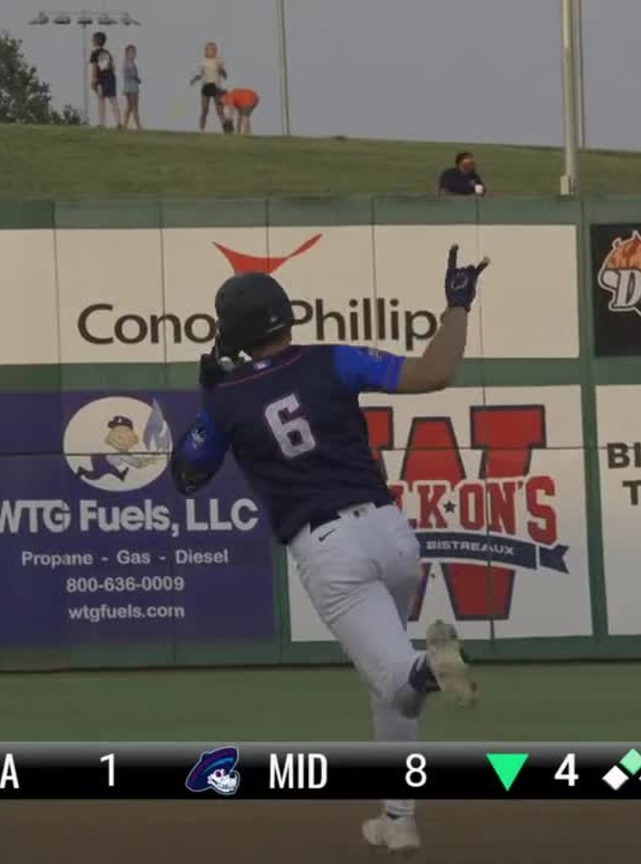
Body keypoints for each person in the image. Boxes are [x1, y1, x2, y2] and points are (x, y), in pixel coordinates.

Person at [170, 245, 490, 854]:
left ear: (232, 331)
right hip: (393, 535)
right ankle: (398, 818)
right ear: (286, 315)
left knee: (399, 680)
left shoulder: (231, 400)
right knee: (386, 688)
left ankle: (432, 664)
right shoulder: (332, 360)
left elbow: (186, 475)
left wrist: (208, 400)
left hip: (330, 550)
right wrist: (456, 306)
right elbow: (433, 373)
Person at [189, 41, 228, 132]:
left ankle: (226, 127)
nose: (209, 51)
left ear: (215, 51)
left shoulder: (219, 62)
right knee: (204, 109)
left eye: (212, 49)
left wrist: (221, 69)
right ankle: (201, 128)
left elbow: (225, 75)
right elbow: (199, 74)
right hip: (206, 86)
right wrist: (194, 79)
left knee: (220, 110)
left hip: (216, 87)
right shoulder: (203, 63)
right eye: (207, 49)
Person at [88, 32, 122, 129]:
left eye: (93, 39)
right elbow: (112, 67)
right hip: (110, 78)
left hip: (101, 80)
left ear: (96, 41)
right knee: (113, 100)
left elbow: (95, 67)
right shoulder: (107, 53)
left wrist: (94, 80)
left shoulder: (94, 53)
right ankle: (118, 122)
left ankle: (102, 123)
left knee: (101, 101)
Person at [121, 44, 142, 130]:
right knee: (135, 106)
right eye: (132, 52)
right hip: (132, 86)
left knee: (130, 107)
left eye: (134, 52)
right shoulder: (129, 63)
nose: (134, 54)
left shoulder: (127, 62)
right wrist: (138, 79)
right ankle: (138, 125)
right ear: (127, 53)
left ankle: (125, 124)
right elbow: (132, 74)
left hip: (127, 86)